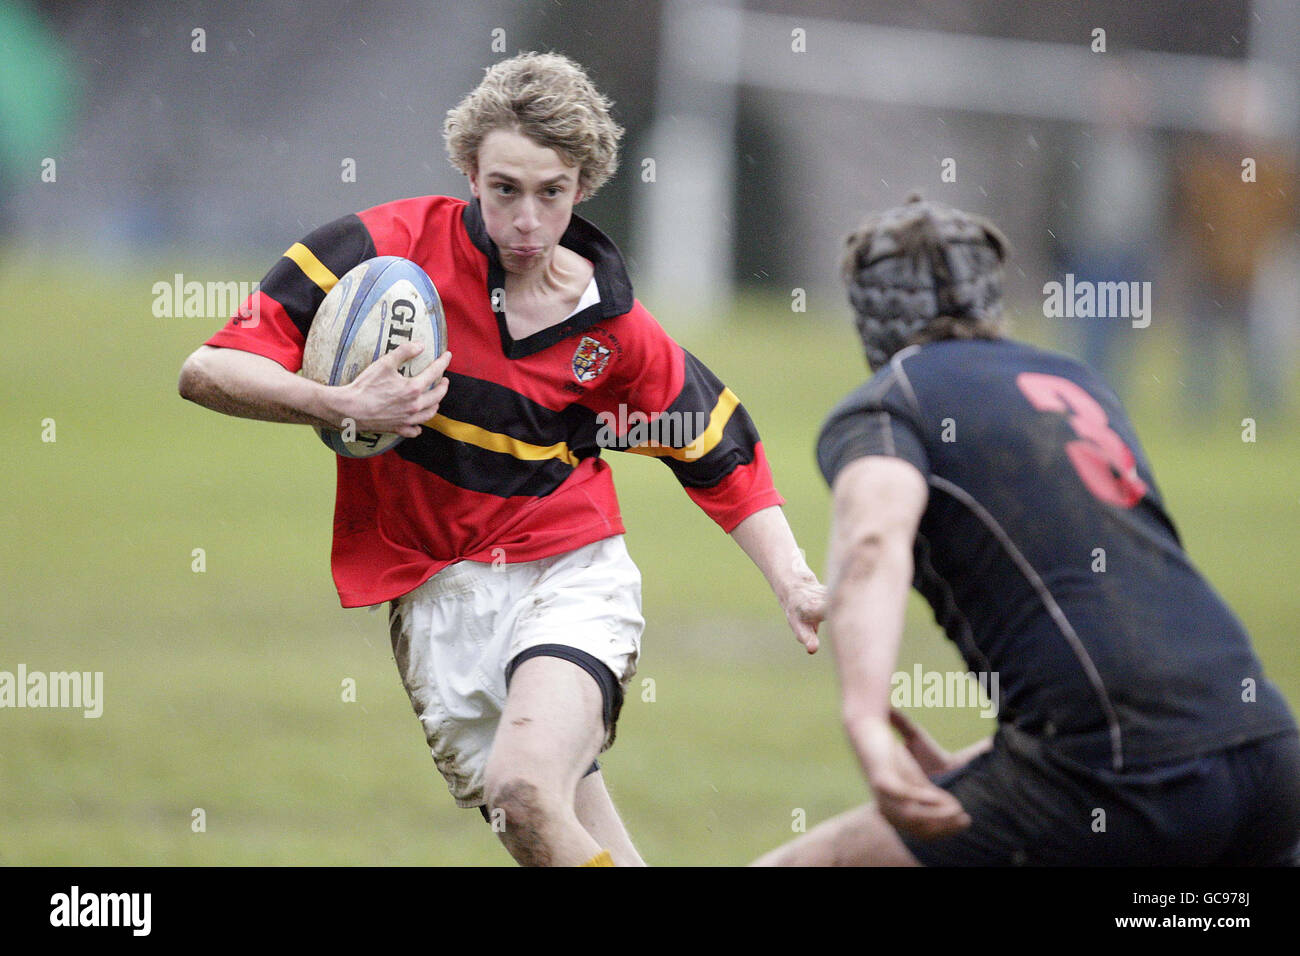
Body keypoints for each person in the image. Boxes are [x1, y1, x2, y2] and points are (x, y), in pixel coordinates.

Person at [178, 52, 825, 867]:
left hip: (568, 573)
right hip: (435, 596)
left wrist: (792, 575)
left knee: (525, 789)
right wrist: (342, 404)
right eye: (504, 190)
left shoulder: (610, 324)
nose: (526, 221)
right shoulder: (381, 251)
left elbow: (712, 446)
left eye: (551, 193)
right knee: (541, 825)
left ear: (583, 184)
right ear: (469, 172)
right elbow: (205, 372)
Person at [753, 195, 1300, 866]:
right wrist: (996, 762)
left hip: (1119, 774)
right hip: (1265, 751)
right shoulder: (1075, 381)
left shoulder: (895, 404)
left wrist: (866, 721)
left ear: (870, 312)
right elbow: (1134, 623)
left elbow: (872, 541)